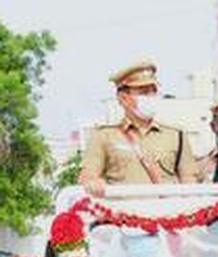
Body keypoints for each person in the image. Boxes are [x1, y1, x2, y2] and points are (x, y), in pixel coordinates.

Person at [79, 60, 201, 196]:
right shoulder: (103, 136)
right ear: (123, 98)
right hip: (123, 214)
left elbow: (189, 180)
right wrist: (93, 182)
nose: (150, 97)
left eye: (153, 91)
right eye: (143, 92)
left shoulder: (176, 134)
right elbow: (88, 177)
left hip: (166, 213)